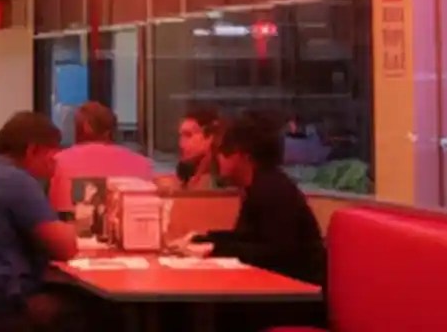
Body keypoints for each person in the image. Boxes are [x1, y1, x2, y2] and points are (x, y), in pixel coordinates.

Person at [172, 113, 326, 331]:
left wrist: (215, 247)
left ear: (244, 157)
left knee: (201, 313)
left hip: (293, 300)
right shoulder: (258, 186)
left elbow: (276, 253)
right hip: (273, 292)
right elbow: (250, 238)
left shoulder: (273, 191)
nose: (219, 159)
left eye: (225, 152)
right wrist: (205, 238)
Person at [0, 111, 81, 332]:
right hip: (3, 304)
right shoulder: (15, 179)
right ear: (32, 150)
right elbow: (66, 247)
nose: (54, 168)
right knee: (96, 309)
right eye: (51, 159)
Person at [48, 101, 155, 215]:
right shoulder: (143, 163)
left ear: (86, 127)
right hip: (130, 228)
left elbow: (52, 208)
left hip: (69, 228)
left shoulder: (58, 161)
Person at [174, 104, 222, 190]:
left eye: (188, 135)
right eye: (181, 136)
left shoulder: (220, 177)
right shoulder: (188, 174)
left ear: (209, 136)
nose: (181, 143)